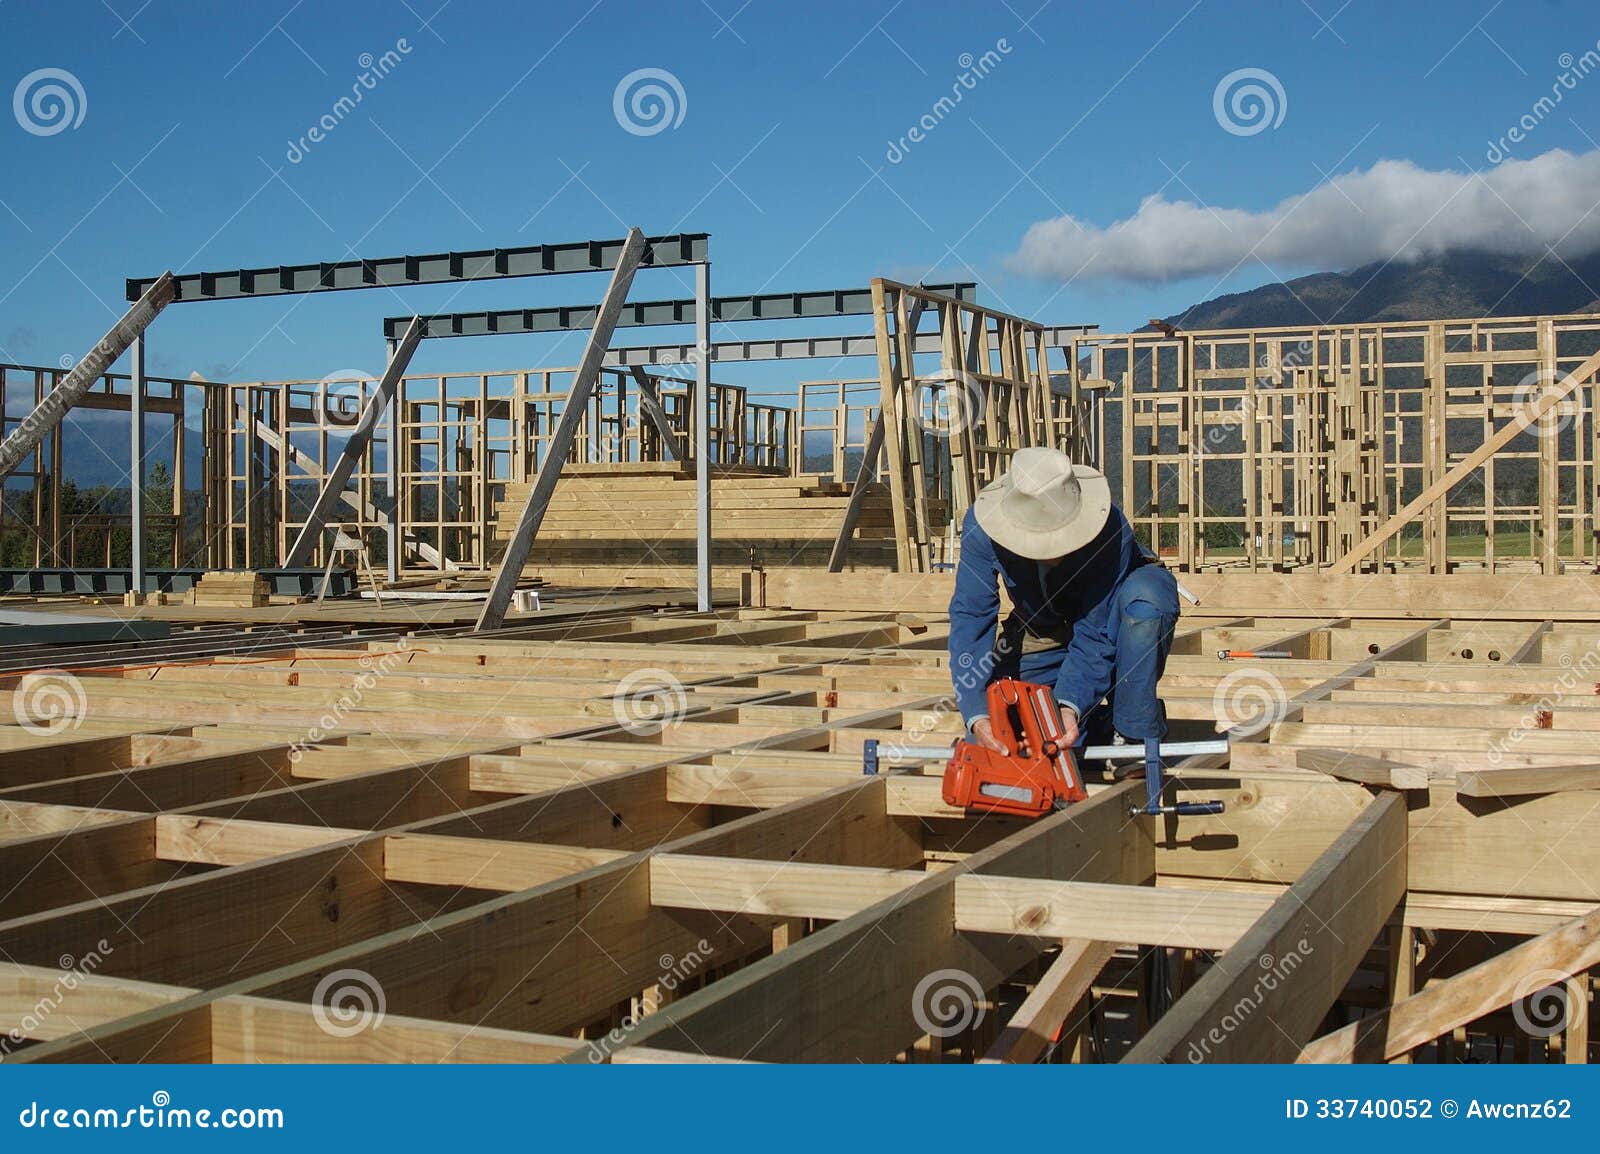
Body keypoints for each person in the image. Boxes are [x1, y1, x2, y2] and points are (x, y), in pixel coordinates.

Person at [947, 447, 1179, 760]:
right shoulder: (982, 528)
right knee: (1010, 738)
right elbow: (971, 618)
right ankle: (1101, 724)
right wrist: (976, 715)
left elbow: (1096, 631)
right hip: (1044, 634)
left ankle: (1134, 732)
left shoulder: (1110, 529)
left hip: (1114, 630)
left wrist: (1068, 704)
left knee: (1147, 600)